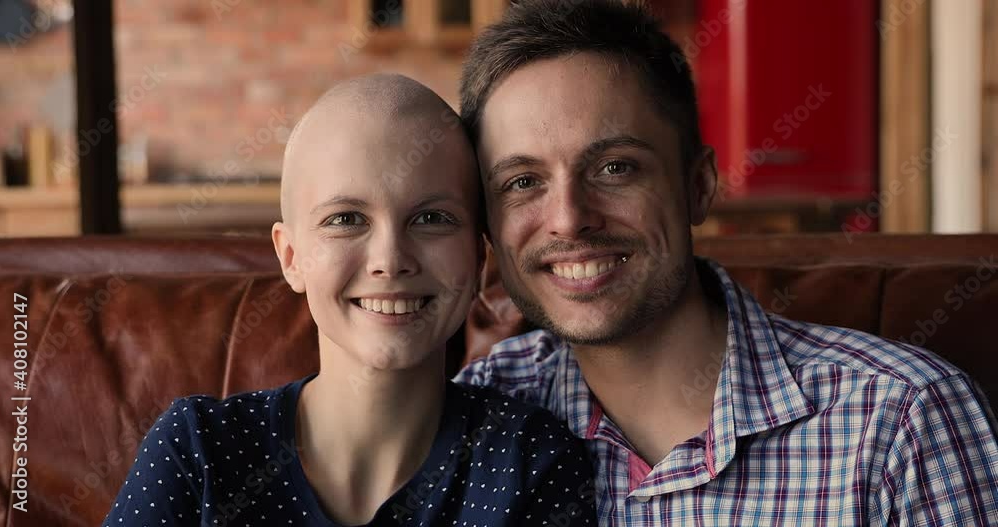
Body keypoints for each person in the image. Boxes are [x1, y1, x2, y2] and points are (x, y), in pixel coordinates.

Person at [454, 1, 998, 525]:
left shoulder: (903, 421)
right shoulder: (477, 411)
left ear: (698, 186)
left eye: (615, 167)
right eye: (523, 182)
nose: (569, 219)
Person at [102, 74, 595, 526]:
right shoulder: (197, 451)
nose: (390, 259)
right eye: (346, 219)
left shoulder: (531, 462)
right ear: (290, 256)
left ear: (477, 256)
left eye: (431, 219)